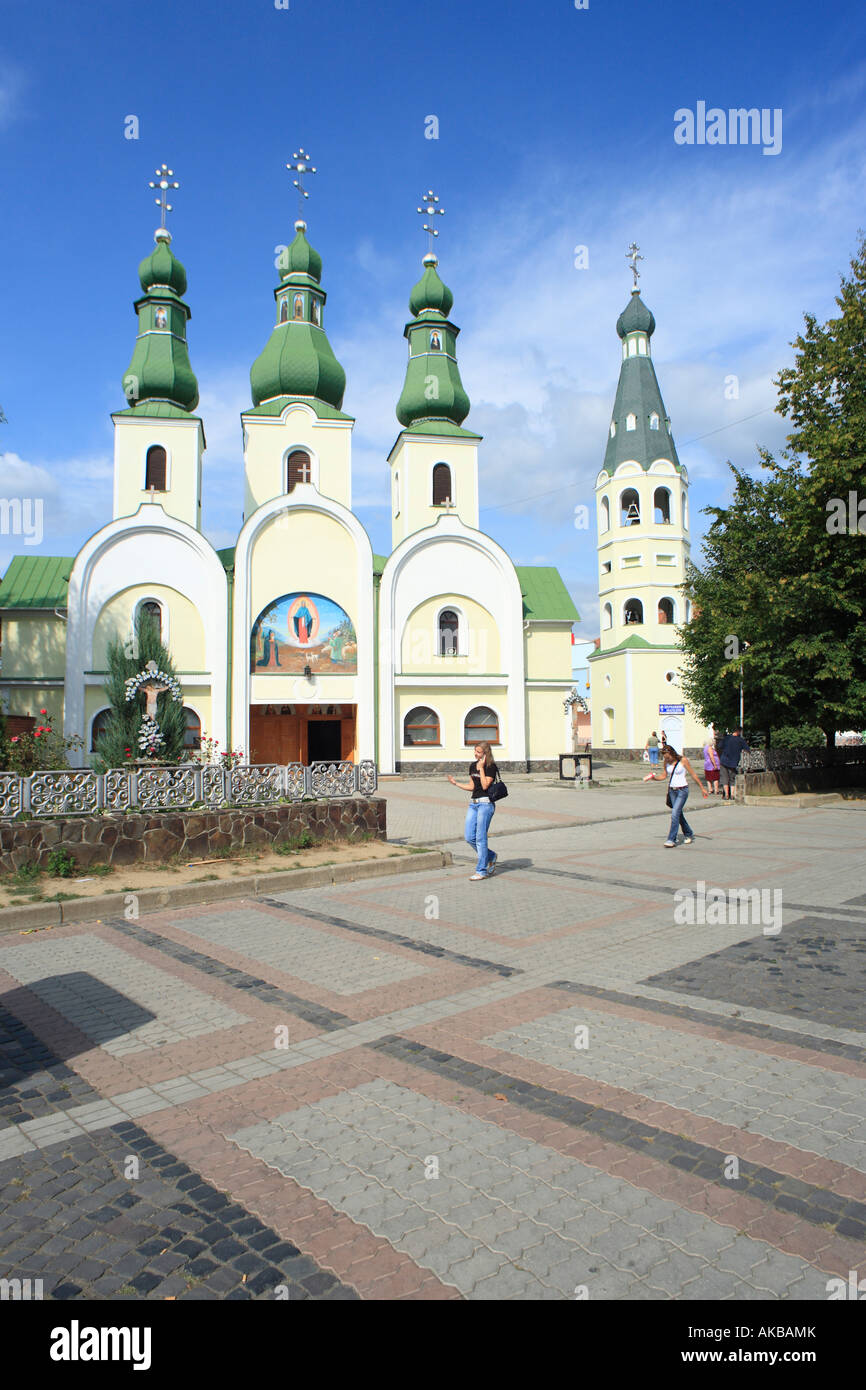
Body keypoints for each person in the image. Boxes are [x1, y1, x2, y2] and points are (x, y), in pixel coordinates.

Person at [447, 741, 499, 880]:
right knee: (469, 837)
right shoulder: (472, 766)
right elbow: (472, 786)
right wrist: (456, 783)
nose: (475, 754)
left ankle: (481, 871)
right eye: (475, 751)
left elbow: (485, 785)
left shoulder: (490, 767)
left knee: (481, 838)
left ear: (485, 753)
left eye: (479, 752)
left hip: (486, 804)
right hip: (473, 804)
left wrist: (481, 768)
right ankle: (491, 856)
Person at [649, 743, 707, 846]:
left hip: (682, 790)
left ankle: (671, 839)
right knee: (678, 814)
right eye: (665, 757)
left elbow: (693, 774)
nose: (667, 759)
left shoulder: (683, 760)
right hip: (672, 791)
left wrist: (702, 788)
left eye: (668, 756)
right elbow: (664, 775)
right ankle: (688, 833)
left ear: (672, 753)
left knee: (675, 813)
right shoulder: (666, 762)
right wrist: (654, 778)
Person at [719, 726, 749, 801]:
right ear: (738, 731)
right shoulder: (740, 740)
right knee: (732, 778)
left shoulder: (726, 738)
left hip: (724, 760)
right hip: (733, 762)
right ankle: (732, 795)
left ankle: (726, 795)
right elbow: (748, 750)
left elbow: (720, 746)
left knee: (724, 778)